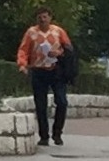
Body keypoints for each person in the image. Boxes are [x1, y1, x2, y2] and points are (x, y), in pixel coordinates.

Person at [16, 8, 74, 149]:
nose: (42, 20)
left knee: (62, 102)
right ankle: (44, 136)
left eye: (45, 17)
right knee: (40, 105)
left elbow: (69, 49)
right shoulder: (31, 33)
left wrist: (59, 53)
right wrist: (22, 64)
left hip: (56, 71)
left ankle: (57, 133)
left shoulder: (58, 32)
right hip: (38, 71)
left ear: (50, 18)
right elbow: (23, 49)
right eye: (40, 17)